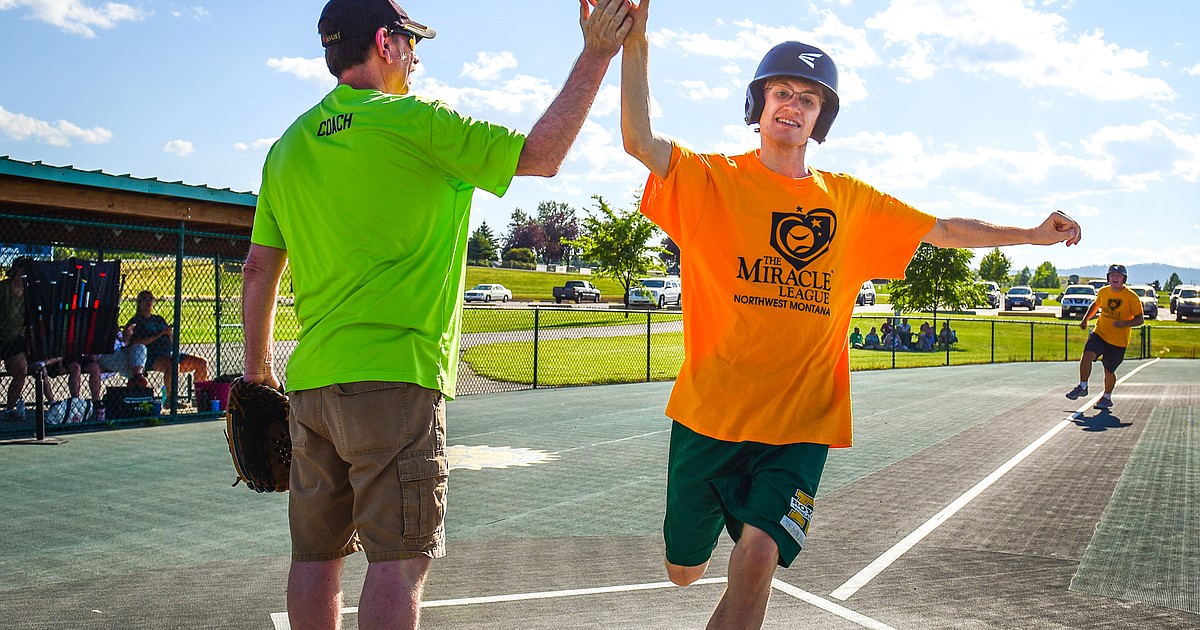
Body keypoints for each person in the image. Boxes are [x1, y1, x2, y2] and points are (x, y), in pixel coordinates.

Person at [618, 3, 1082, 626]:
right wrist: (636, 43)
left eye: (809, 99)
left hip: (801, 421)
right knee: (684, 572)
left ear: (821, 118)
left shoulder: (850, 202)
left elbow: (943, 229)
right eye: (782, 92)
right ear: (758, 104)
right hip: (710, 415)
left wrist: (1031, 234)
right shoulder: (712, 181)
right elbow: (639, 141)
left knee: (757, 559)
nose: (793, 104)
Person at [240, 1, 632, 628]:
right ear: (384, 43)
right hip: (398, 378)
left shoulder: (287, 147)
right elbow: (543, 154)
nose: (416, 57)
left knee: (314, 555)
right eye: (411, 43)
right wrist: (596, 53)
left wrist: (258, 374)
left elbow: (260, 268)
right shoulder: (421, 123)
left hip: (310, 384)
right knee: (400, 560)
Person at [1065, 264, 1142, 410]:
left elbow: (1140, 319)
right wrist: (1085, 319)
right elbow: (1095, 305)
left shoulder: (1132, 297)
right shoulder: (1103, 291)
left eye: (1118, 276)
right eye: (1112, 275)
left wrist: (1124, 323)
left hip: (1118, 341)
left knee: (1109, 370)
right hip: (1100, 333)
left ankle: (1106, 397)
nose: (1115, 278)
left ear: (1124, 279)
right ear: (1108, 278)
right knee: (1087, 355)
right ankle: (1083, 386)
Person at [126, 290, 208, 396]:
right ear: (139, 303)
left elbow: (171, 340)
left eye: (151, 298)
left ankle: (199, 397)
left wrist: (169, 335)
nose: (149, 301)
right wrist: (158, 335)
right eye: (145, 299)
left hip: (169, 352)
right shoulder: (136, 321)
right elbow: (134, 343)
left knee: (201, 363)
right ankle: (170, 398)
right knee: (172, 365)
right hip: (152, 355)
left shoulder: (158, 319)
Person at [1, 259, 30, 421]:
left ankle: (9, 409)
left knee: (21, 371)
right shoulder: (4, 288)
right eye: (23, 269)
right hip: (1, 336)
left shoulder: (29, 291)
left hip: (15, 339)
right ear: (17, 270)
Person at [96, 322, 150, 389]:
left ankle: (136, 377)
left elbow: (124, 344)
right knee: (133, 363)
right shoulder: (100, 328)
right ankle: (138, 377)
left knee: (140, 347)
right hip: (105, 355)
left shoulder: (118, 332)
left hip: (120, 352)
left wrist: (127, 335)